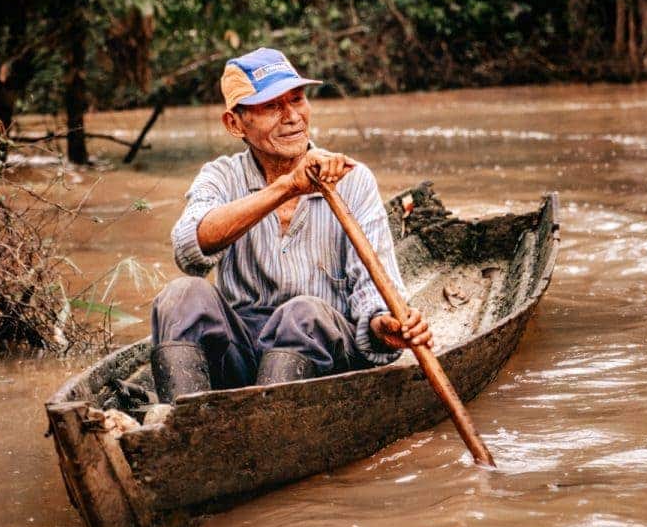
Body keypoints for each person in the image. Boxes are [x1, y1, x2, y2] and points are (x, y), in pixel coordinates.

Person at [150, 46, 434, 401]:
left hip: (323, 351)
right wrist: (288, 187)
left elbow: (372, 293)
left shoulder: (352, 179)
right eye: (271, 106)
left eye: (297, 99)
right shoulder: (221, 176)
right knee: (181, 295)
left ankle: (271, 429)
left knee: (301, 315)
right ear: (234, 123)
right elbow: (190, 247)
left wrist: (383, 326)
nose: (292, 116)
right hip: (245, 354)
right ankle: (183, 426)